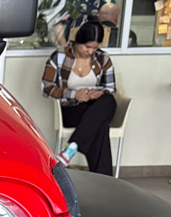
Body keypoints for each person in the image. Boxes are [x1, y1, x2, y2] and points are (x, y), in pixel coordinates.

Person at [41, 23, 117, 175]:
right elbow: (46, 88)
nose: (90, 51)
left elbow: (110, 88)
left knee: (108, 101)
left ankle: (72, 146)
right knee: (100, 125)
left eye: (95, 48)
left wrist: (96, 93)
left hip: (95, 108)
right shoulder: (59, 56)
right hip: (71, 109)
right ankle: (105, 181)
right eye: (87, 47)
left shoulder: (103, 59)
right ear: (78, 42)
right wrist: (74, 94)